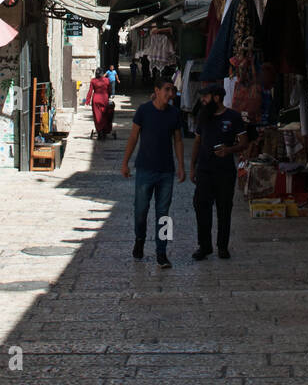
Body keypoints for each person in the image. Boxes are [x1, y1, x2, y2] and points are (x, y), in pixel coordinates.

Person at [121, 77, 185, 268]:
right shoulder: (143, 111)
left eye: (172, 90)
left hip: (166, 171)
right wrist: (125, 162)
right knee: (141, 211)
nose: (170, 94)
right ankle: (140, 239)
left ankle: (162, 252)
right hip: (145, 170)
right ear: (156, 91)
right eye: (166, 89)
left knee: (164, 215)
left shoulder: (174, 114)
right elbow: (133, 137)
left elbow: (178, 141)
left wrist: (181, 165)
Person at [190, 82, 248, 261]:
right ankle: (204, 246)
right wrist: (192, 166)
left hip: (224, 171)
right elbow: (197, 142)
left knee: (224, 209)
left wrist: (228, 150)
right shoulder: (203, 116)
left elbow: (244, 142)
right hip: (205, 170)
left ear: (217, 98)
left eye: (206, 96)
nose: (202, 100)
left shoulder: (233, 117)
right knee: (201, 206)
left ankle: (222, 246)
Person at [85, 68, 113, 140]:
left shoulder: (93, 81)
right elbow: (109, 89)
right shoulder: (107, 80)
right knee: (104, 115)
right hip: (104, 99)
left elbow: (90, 91)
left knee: (97, 116)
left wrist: (87, 101)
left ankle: (99, 131)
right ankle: (104, 131)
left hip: (96, 99)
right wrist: (109, 95)